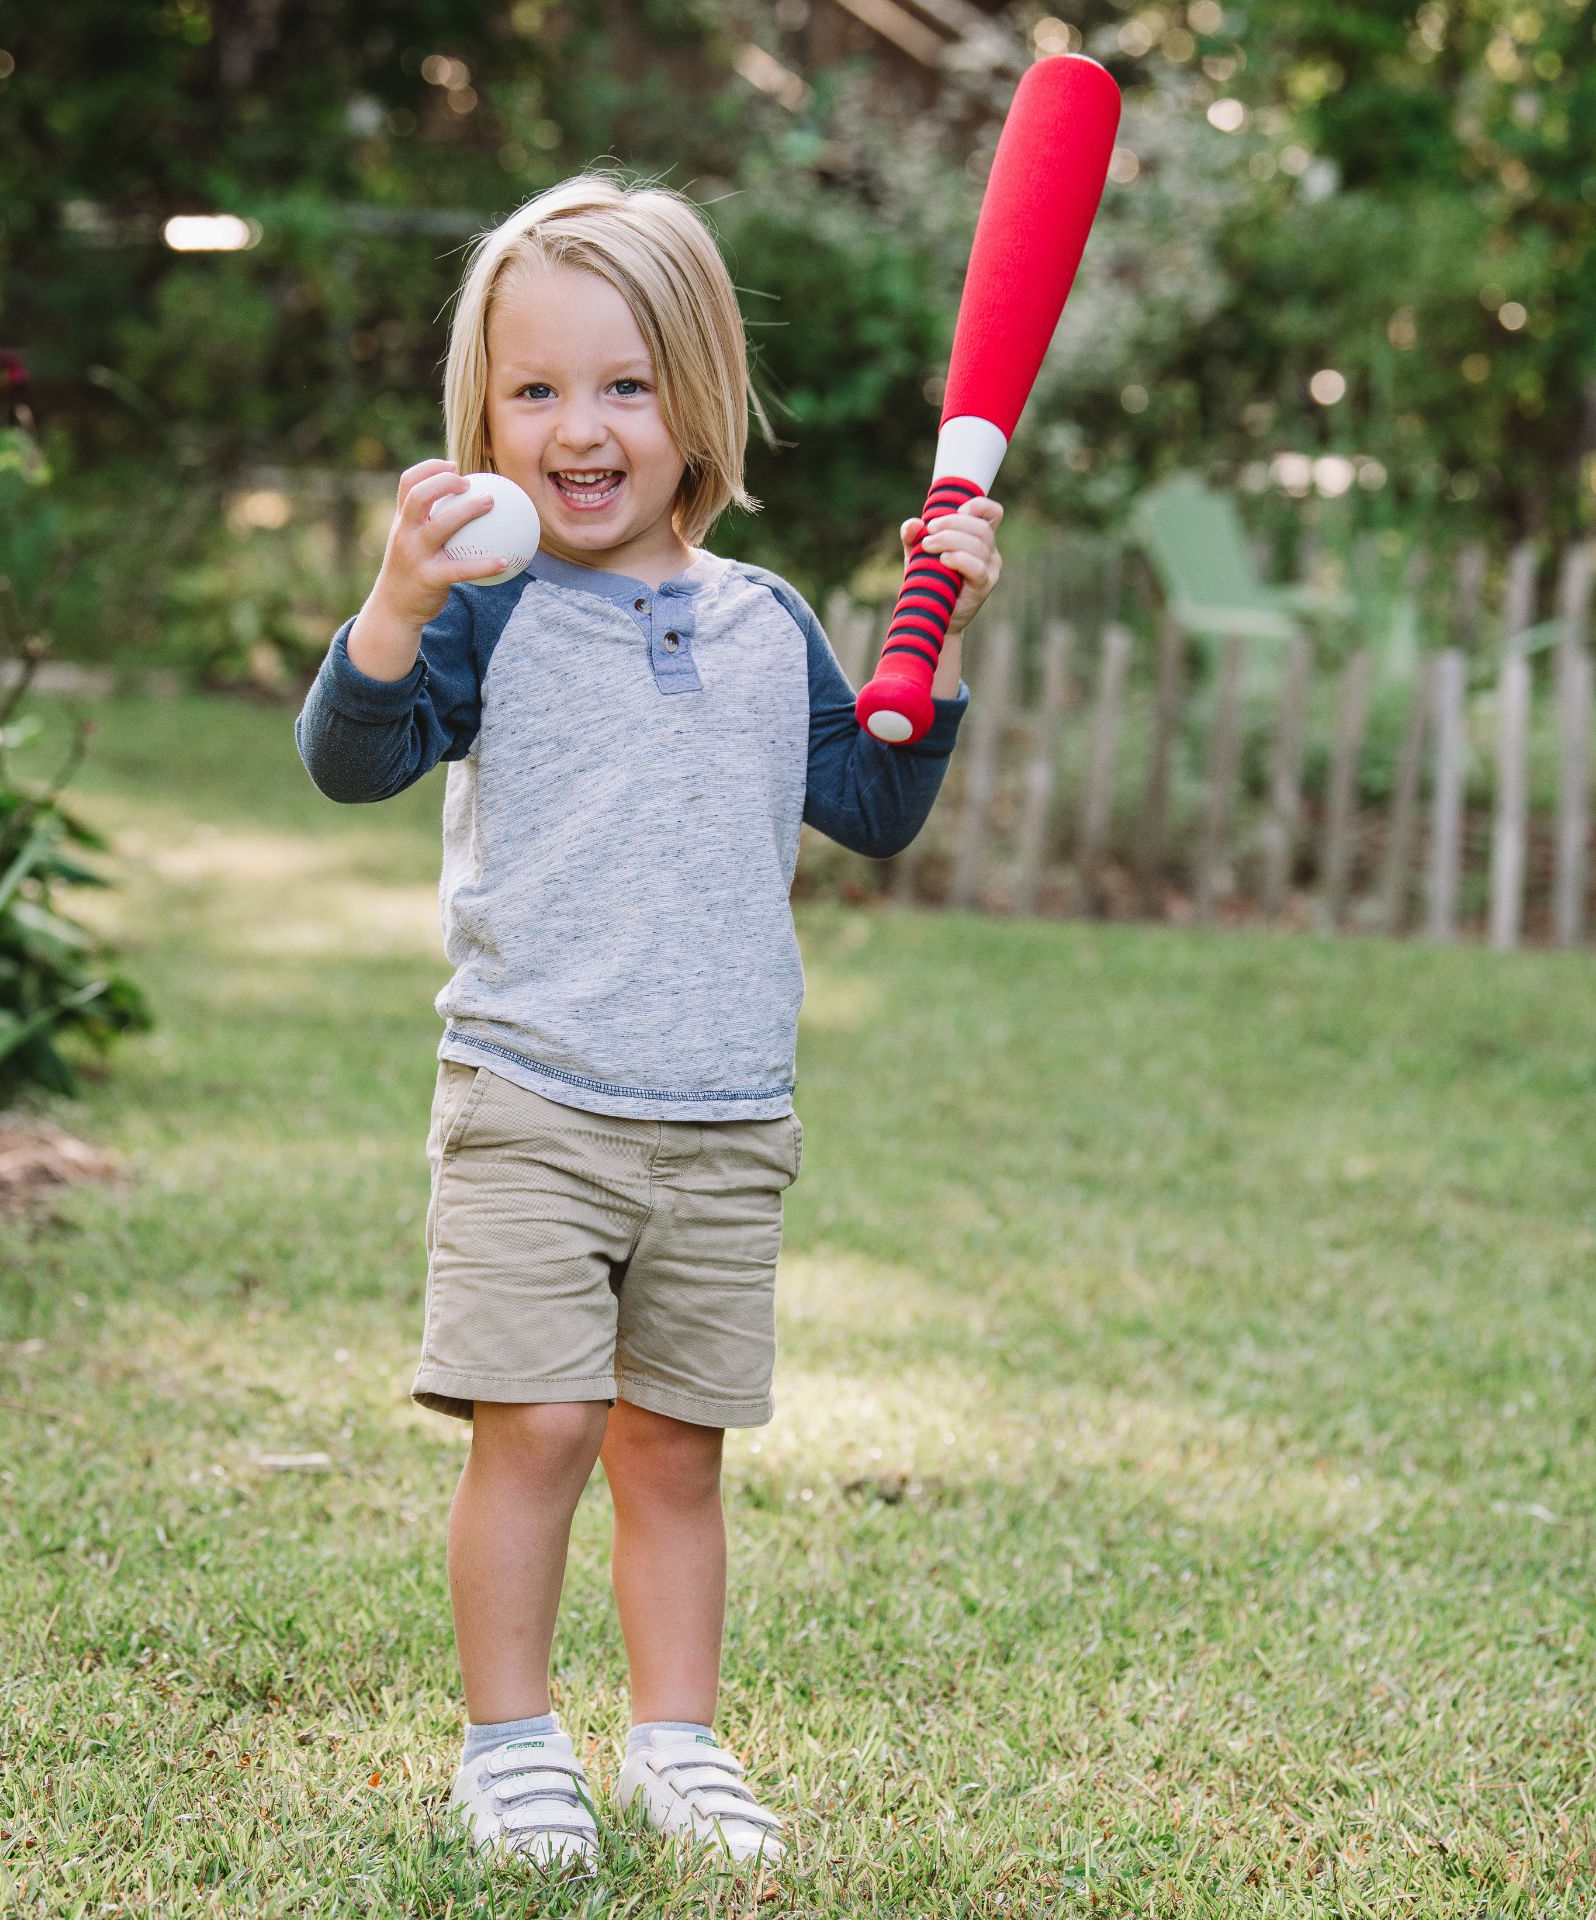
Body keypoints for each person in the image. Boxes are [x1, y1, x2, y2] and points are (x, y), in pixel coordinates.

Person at [294, 171, 1002, 1877]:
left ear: (701, 403)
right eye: (533, 392)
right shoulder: (486, 613)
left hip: (723, 1115)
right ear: (483, 418)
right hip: (533, 1094)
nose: (579, 428)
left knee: (674, 1451)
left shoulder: (766, 623)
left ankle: (677, 1743)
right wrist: (394, 602)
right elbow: (351, 758)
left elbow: (869, 804)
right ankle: (512, 1744)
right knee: (536, 1426)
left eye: (624, 386)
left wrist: (937, 642)